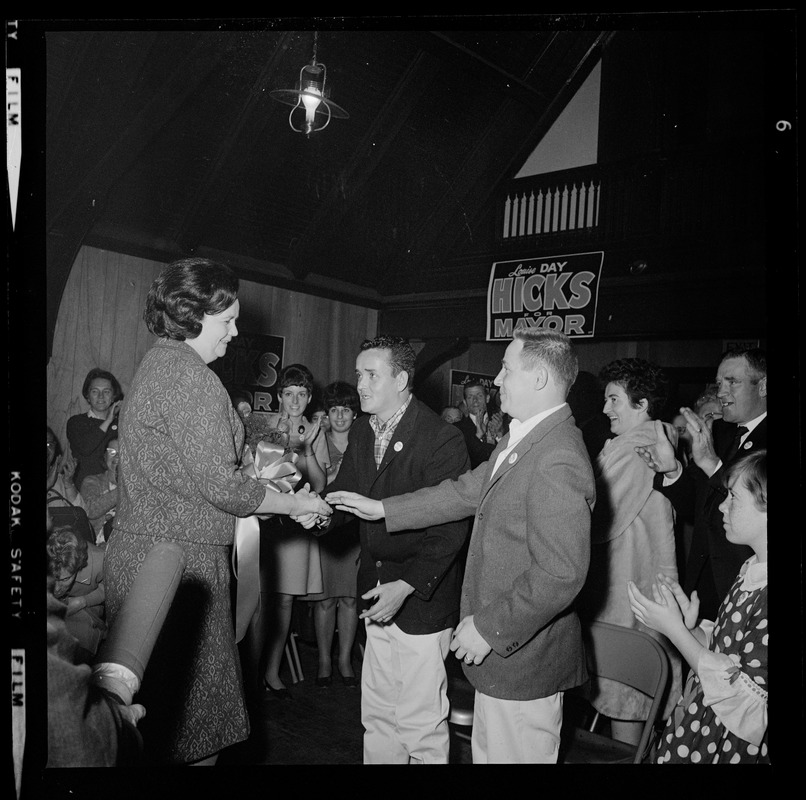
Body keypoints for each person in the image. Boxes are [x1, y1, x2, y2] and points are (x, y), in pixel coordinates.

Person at [325, 329, 595, 764]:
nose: (497, 380)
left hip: (523, 659)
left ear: (540, 378)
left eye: (506, 368)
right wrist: (382, 508)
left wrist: (490, 628)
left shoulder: (557, 454)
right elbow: (461, 493)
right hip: (504, 657)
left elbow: (561, 573)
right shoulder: (521, 439)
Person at [103, 257, 331, 766]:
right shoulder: (191, 379)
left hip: (153, 556)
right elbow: (224, 488)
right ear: (192, 314)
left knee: (160, 725)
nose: (234, 331)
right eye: (227, 319)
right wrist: (295, 503)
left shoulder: (160, 363)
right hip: (180, 564)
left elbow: (200, 474)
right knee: (194, 731)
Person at [314, 335, 470, 764]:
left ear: (401, 379)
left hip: (419, 597)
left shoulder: (442, 438)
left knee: (421, 724)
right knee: (379, 718)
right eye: (359, 374)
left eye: (371, 375)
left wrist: (406, 585)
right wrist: (316, 511)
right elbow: (347, 493)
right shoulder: (365, 429)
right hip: (374, 589)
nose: (360, 385)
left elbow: (451, 527)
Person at [627, 450, 768, 763]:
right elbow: (724, 651)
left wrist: (677, 632)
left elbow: (745, 698)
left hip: (732, 741)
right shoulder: (750, 568)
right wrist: (689, 628)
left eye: (733, 497)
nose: (722, 505)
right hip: (704, 723)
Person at [577, 358, 682, 746]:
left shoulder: (639, 449)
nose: (606, 410)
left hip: (631, 596)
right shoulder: (650, 442)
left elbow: (590, 516)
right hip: (636, 593)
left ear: (642, 405)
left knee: (626, 703)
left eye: (615, 400)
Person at [635, 348, 767, 620]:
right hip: (705, 585)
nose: (721, 392)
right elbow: (696, 510)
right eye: (719, 383)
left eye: (733, 382)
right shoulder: (721, 433)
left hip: (748, 589)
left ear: (764, 385)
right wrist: (672, 470)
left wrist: (712, 466)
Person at [248, 363, 329, 698]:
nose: (295, 400)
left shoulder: (314, 430)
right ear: (279, 396)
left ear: (309, 398)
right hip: (261, 522)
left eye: (301, 394)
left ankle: (271, 670)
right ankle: (250, 673)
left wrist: (307, 448)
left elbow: (320, 483)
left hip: (293, 527)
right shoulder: (261, 423)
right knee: (254, 601)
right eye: (289, 393)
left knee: (282, 603)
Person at [302, 380, 363, 687]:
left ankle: (345, 659)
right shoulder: (319, 440)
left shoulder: (364, 440)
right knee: (325, 600)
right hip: (328, 527)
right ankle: (325, 660)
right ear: (326, 414)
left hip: (356, 527)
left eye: (346, 409)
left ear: (355, 413)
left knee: (350, 599)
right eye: (334, 410)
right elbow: (321, 486)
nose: (340, 416)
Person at [47, 525, 108, 663]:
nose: (57, 588)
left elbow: (110, 589)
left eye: (65, 579)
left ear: (79, 565)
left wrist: (83, 601)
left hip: (86, 606)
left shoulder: (101, 560)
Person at [66, 367, 124, 491]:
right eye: (95, 391)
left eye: (106, 391)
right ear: (87, 396)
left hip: (115, 492)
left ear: (114, 396)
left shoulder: (121, 425)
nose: (101, 396)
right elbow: (86, 448)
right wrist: (108, 420)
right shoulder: (76, 422)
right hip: (83, 491)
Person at [454, 380, 504, 468]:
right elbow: (462, 462)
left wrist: (499, 436)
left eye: (479, 395)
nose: (475, 400)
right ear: (465, 402)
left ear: (487, 398)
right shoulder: (457, 429)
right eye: (470, 397)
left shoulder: (502, 424)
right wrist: (478, 435)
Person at [81, 438, 120, 544]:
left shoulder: (137, 485)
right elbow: (90, 510)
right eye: (112, 452)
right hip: (99, 545)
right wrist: (123, 487)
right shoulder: (92, 481)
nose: (117, 456)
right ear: (104, 456)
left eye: (122, 451)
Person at [47, 426, 86, 511]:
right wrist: (48, 484)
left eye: (49, 444)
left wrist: (68, 483)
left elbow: (82, 513)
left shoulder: (59, 478)